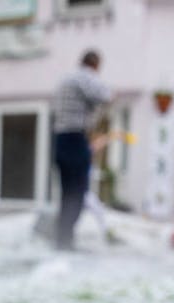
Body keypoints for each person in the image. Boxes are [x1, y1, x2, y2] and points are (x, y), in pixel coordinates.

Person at [52, 50, 111, 250]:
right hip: (75, 139)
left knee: (67, 193)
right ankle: (65, 241)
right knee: (78, 193)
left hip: (60, 139)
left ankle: (62, 238)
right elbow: (105, 95)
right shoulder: (85, 76)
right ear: (95, 64)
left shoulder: (64, 80)